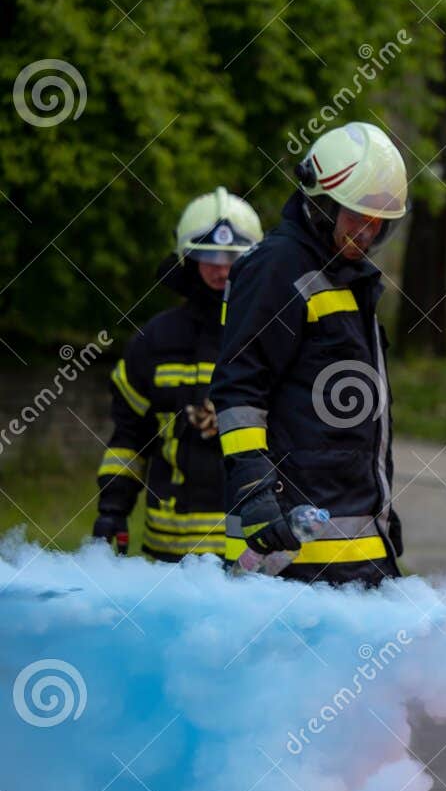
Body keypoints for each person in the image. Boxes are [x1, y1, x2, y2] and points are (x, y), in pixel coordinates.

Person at [208, 121, 409, 586]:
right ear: (321, 205)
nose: (368, 232)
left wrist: (380, 512)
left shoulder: (349, 280)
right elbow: (239, 391)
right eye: (357, 216)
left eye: (379, 221)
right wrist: (256, 494)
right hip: (284, 551)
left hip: (353, 549)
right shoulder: (279, 269)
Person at [94, 188, 262, 560]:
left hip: (253, 553)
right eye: (209, 257)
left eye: (232, 257)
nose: (221, 268)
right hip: (170, 555)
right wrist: (112, 511)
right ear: (187, 259)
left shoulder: (272, 335)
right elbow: (129, 438)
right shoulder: (154, 341)